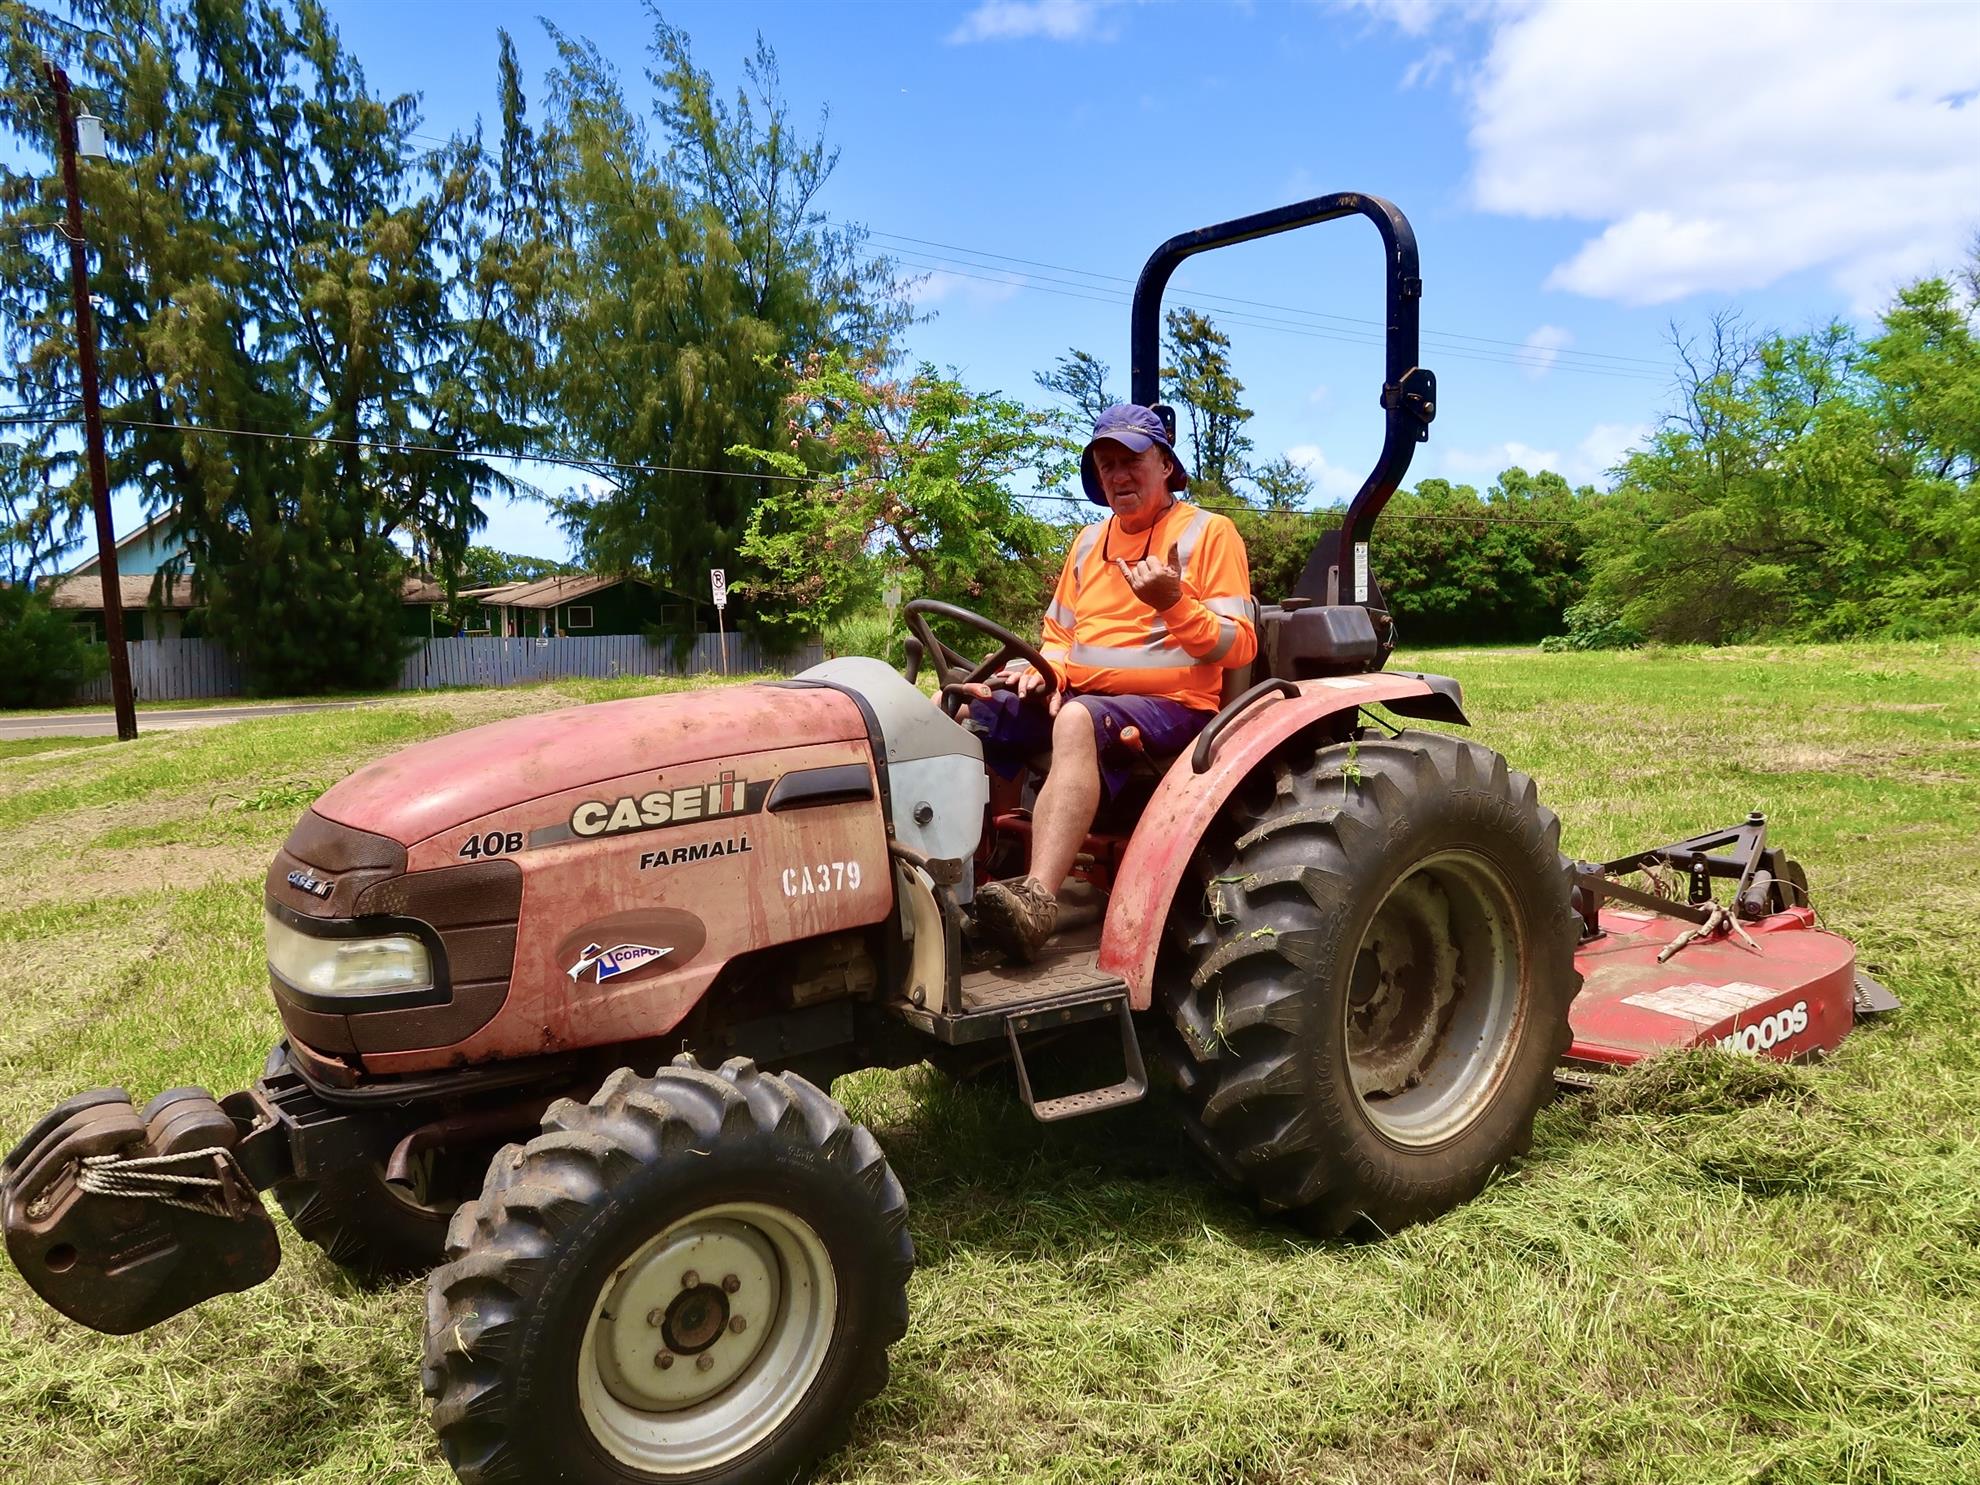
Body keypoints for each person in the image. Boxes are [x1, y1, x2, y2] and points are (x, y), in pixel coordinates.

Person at [964, 403, 1256, 960]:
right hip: (1085, 696)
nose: (1118, 475)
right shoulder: (1086, 543)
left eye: (1131, 461)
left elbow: (1239, 644)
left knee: (1077, 719)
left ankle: (1037, 903)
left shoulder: (1209, 534)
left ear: (1165, 464)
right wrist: (1044, 671)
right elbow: (1058, 635)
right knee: (964, 704)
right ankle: (969, 875)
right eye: (1106, 465)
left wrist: (1174, 603)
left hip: (1176, 708)